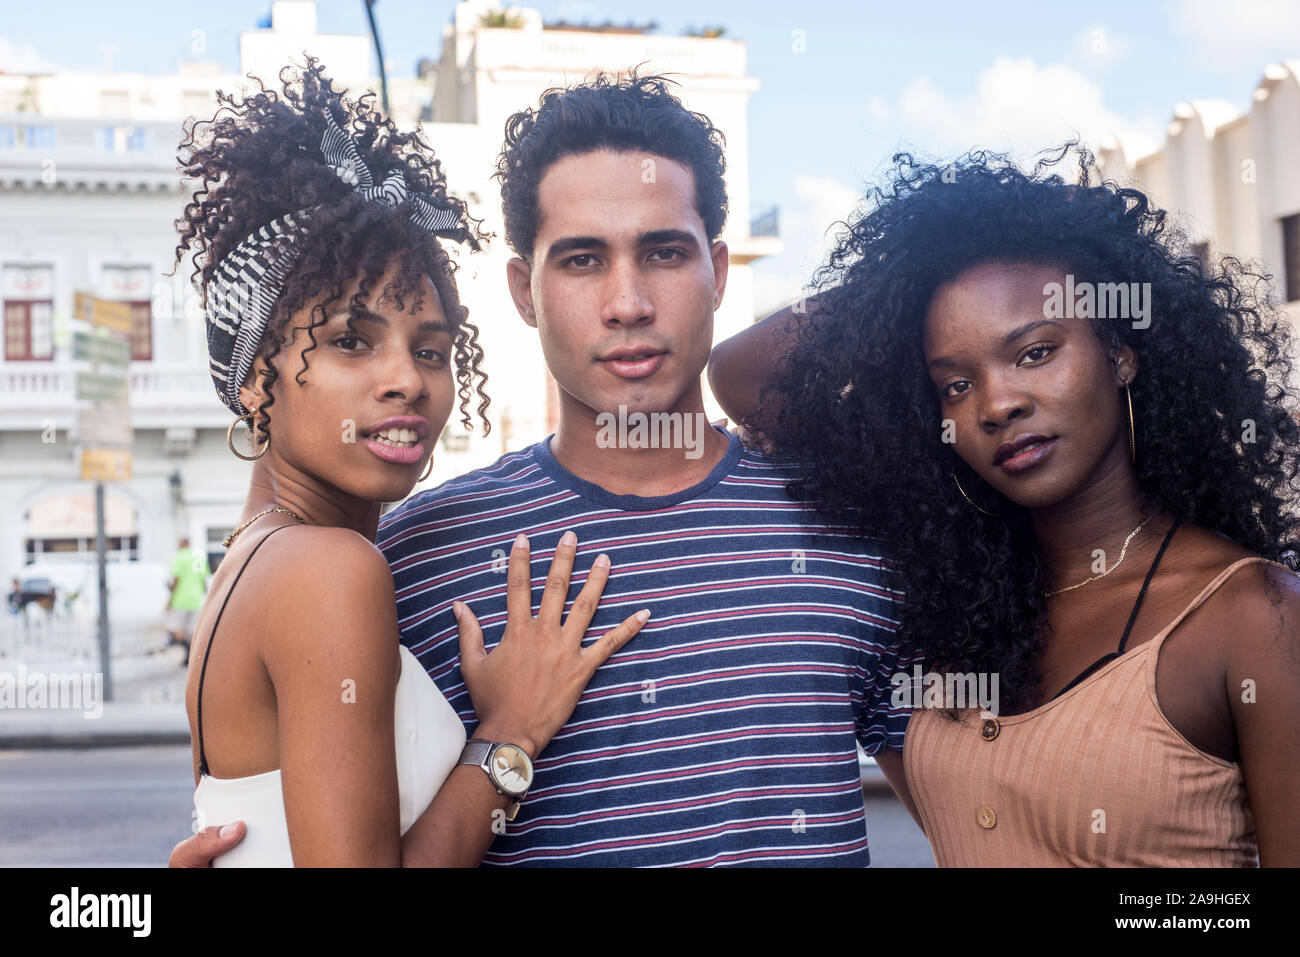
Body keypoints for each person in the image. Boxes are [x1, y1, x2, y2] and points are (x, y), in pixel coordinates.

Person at [174, 71, 915, 868]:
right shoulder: (405, 564)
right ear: (525, 290)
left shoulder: (845, 526)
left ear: (719, 270)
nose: (628, 302)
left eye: (665, 253)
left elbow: (990, 804)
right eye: (584, 261)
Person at [709, 144, 1300, 866]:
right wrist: (911, 267)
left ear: (1119, 350)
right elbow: (739, 375)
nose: (997, 402)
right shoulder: (959, 611)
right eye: (955, 384)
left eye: (1034, 352)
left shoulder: (1253, 617)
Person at [168, 58, 647, 867]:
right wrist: (509, 737)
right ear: (257, 375)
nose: (407, 381)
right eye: (351, 340)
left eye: (431, 349)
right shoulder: (329, 569)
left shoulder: (249, 561)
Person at [164, 537, 209, 666]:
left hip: (181, 600)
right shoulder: (198, 557)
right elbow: (203, 581)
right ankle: (192, 656)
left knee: (176, 629)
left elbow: (176, 580)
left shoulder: (180, 556)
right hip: (196, 600)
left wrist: (170, 600)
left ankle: (186, 654)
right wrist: (207, 598)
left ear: (181, 544)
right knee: (193, 631)